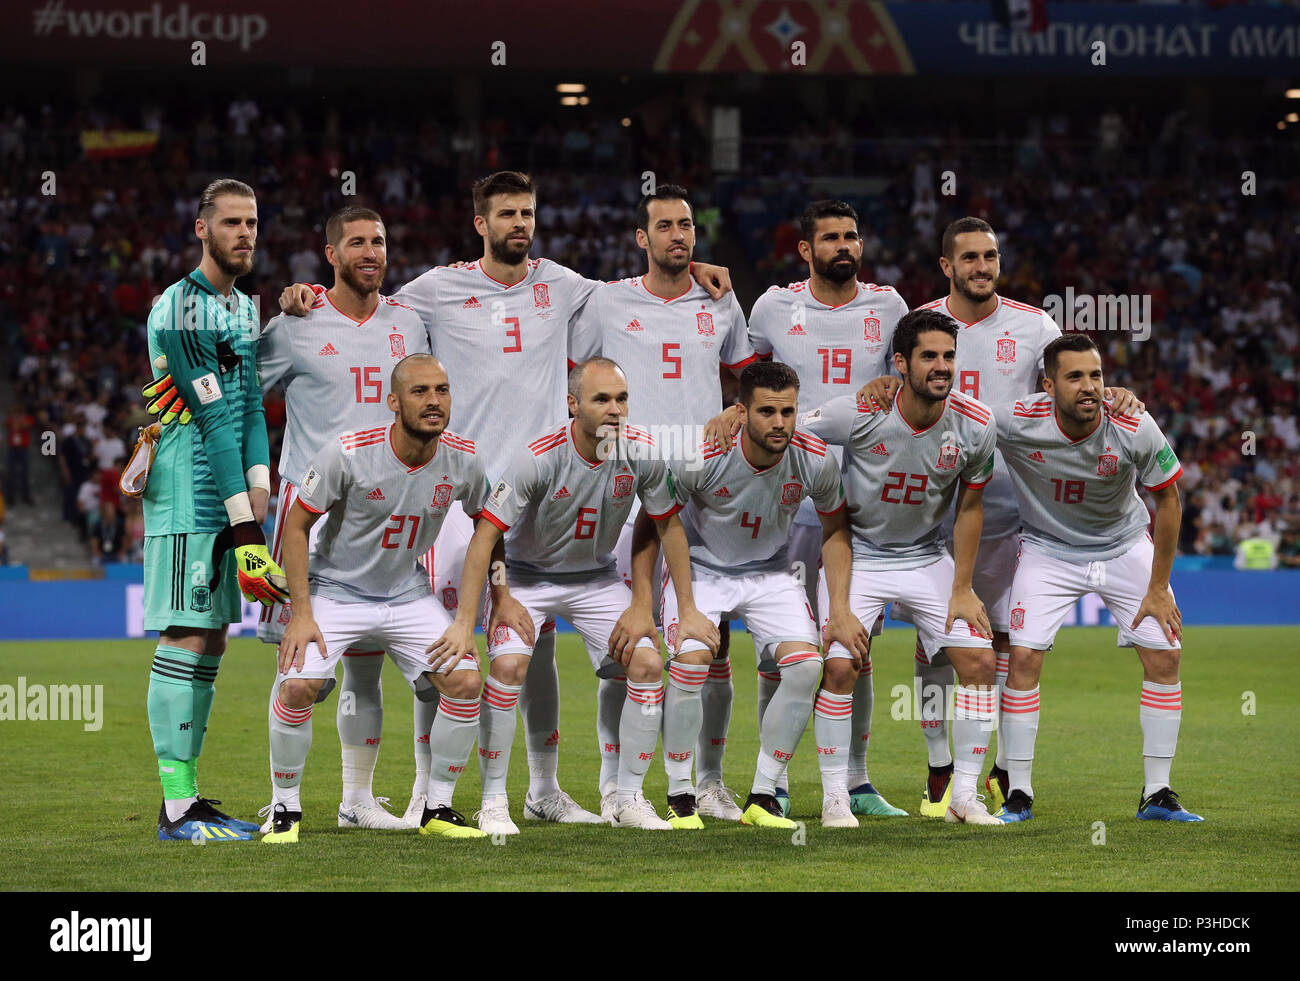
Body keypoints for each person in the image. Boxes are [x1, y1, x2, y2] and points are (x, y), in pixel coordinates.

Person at [274, 171, 733, 827]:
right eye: (507, 213)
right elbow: (370, 309)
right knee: (446, 653)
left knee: (533, 646)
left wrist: (695, 265)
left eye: (528, 212)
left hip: (545, 491)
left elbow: (647, 288)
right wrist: (312, 296)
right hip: (460, 498)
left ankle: (542, 789)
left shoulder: (564, 285)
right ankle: (429, 796)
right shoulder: (435, 289)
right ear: (480, 224)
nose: (521, 223)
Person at [857, 217, 1143, 818]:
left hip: (1017, 512)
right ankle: (939, 767)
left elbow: (1066, 382)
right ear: (947, 266)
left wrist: (1115, 395)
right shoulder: (923, 321)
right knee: (938, 646)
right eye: (970, 258)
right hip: (937, 508)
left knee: (1007, 644)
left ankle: (1007, 774)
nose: (982, 267)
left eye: (990, 256)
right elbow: (893, 389)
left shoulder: (1035, 324)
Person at [428, 357, 719, 832]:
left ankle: (627, 798)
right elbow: (485, 535)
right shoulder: (539, 456)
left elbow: (667, 526)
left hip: (596, 578)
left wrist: (675, 609)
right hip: (524, 577)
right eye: (601, 399)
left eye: (622, 398)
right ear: (572, 404)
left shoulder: (642, 452)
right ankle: (494, 801)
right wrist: (495, 603)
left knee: (646, 664)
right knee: (507, 666)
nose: (614, 410)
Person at [569, 183, 757, 820]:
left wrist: (736, 409)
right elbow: (567, 371)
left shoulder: (721, 299)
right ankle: (614, 787)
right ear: (641, 239)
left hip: (706, 494)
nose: (679, 235)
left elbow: (749, 378)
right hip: (629, 495)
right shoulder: (605, 301)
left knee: (712, 642)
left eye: (687, 225)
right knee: (630, 649)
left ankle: (706, 781)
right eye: (665, 226)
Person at [267, 354, 505, 842]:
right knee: (296, 687)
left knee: (463, 680)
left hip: (405, 592)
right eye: (420, 392)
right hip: (335, 591)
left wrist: (469, 618)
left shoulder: (463, 458)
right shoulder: (349, 453)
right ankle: (284, 808)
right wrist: (301, 612)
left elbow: (490, 526)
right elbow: (295, 526)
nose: (434, 401)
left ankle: (436, 807)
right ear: (393, 402)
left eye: (442, 390)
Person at [254, 206, 432, 831]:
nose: (370, 252)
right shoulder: (295, 324)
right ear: (329, 254)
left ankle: (358, 800)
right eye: (355, 242)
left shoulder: (411, 324)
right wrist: (255, 481)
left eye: (378, 241)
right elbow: (248, 398)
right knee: (300, 662)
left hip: (392, 514)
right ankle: (282, 799)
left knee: (368, 659)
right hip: (311, 512)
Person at [800, 308, 1003, 826]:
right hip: (859, 554)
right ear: (900, 363)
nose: (941, 366)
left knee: (980, 665)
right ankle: (834, 799)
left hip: (927, 558)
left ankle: (963, 796)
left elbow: (971, 507)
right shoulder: (860, 413)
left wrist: (962, 588)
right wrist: (739, 415)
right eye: (929, 356)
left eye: (949, 357)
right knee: (841, 665)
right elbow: (791, 432)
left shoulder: (976, 425)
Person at [742, 199, 909, 818]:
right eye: (832, 238)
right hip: (786, 499)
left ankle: (858, 782)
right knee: (777, 649)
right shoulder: (771, 307)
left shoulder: (890, 308)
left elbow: (913, 369)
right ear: (805, 249)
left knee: (854, 646)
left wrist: (892, 381)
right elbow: (747, 381)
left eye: (853, 236)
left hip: (859, 504)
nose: (845, 245)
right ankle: (774, 782)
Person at [993, 333, 1200, 823]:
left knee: (1166, 656)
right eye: (1075, 377)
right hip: (1048, 550)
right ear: (1047, 385)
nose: (1090, 387)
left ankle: (1158, 793)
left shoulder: (1132, 423)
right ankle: (1018, 793)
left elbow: (1169, 500)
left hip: (1124, 545)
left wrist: (1156, 586)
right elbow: (952, 413)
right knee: (1021, 659)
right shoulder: (1017, 421)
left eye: (1096, 375)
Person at [655, 361, 870, 829]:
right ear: (741, 412)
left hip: (770, 574)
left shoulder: (814, 457)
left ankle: (763, 793)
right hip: (703, 571)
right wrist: (685, 606)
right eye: (767, 411)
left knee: (807, 666)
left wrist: (840, 610)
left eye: (788, 411)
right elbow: (662, 517)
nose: (779, 423)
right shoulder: (704, 452)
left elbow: (836, 529)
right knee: (692, 662)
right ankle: (681, 794)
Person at [142, 178, 288, 842]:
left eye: (252, 222)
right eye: (230, 222)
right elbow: (208, 416)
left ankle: (189, 796)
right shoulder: (179, 308)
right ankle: (176, 806)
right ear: (201, 229)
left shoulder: (244, 309)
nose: (245, 233)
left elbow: (252, 404)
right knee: (186, 634)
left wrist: (261, 484)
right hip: (186, 496)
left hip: (230, 493)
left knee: (214, 639)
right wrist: (246, 524)